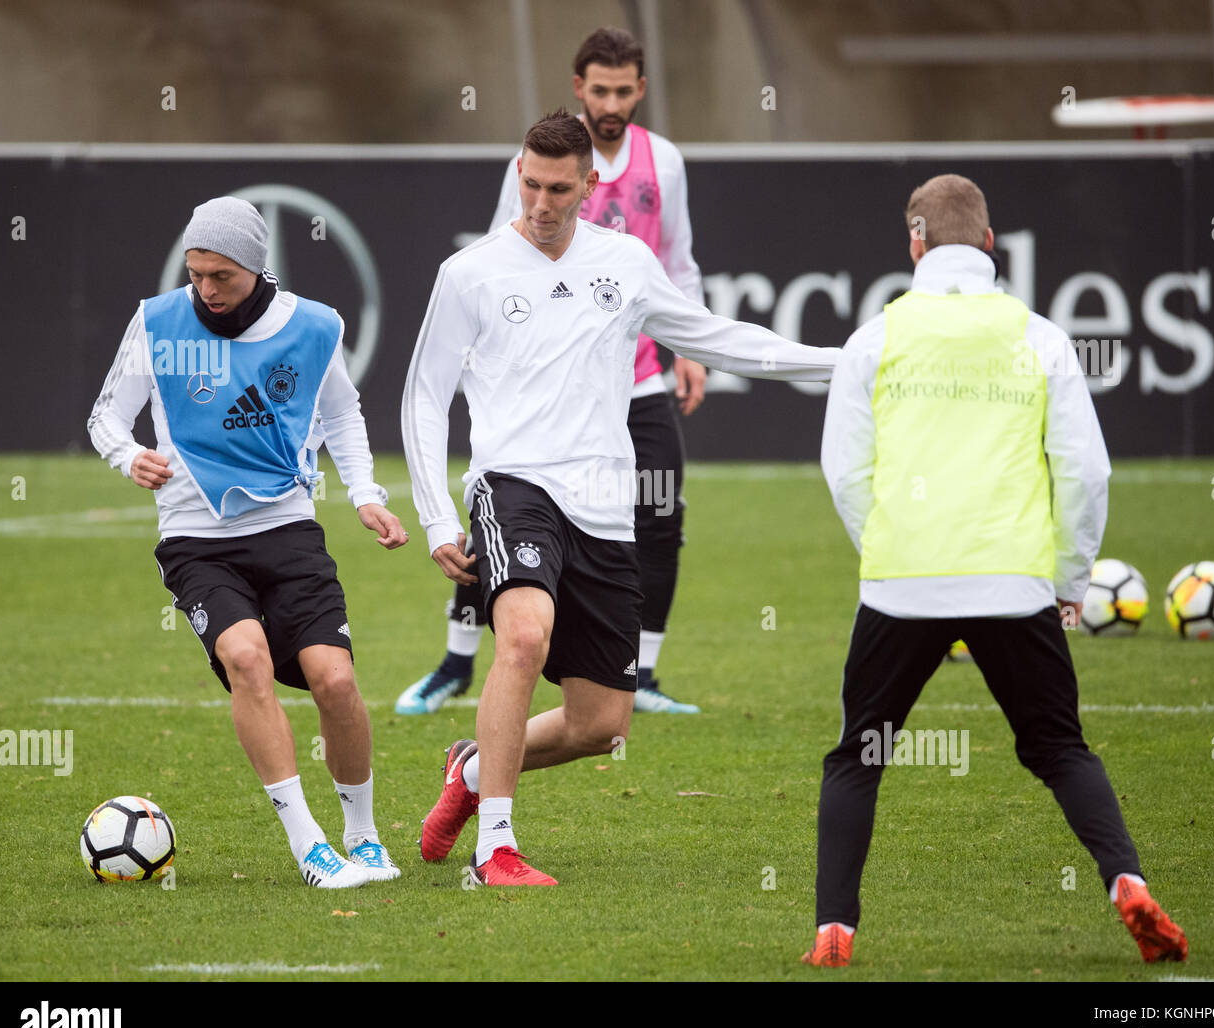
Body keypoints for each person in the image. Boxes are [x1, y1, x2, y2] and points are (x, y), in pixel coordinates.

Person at [403, 110, 837, 885]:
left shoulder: (628, 263)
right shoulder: (468, 272)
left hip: (604, 506)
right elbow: (424, 398)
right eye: (530, 184)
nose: (540, 202)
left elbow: (717, 338)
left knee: (600, 724)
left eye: (558, 188)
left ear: (590, 184)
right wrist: (439, 512)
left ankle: (470, 774)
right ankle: (495, 847)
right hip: (514, 486)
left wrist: (840, 363)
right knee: (524, 635)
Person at [805, 174, 1187, 967]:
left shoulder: (873, 338)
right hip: (1016, 583)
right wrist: (1070, 581)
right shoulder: (1040, 336)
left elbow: (844, 471)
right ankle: (1127, 883)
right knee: (1060, 748)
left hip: (901, 583)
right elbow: (1086, 471)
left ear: (914, 244)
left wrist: (888, 553)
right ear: (988, 244)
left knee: (859, 756)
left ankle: (833, 929)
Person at [88, 196, 408, 890]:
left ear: (257, 270)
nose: (204, 289)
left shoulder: (315, 327)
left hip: (289, 529)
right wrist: (129, 455)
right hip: (195, 538)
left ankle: (364, 835)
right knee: (246, 658)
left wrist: (367, 496)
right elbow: (106, 415)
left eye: (220, 277)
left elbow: (343, 413)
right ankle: (312, 848)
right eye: (196, 273)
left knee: (336, 678)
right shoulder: (157, 320)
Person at [396, 26, 708, 718]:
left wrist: (691, 347)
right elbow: (500, 258)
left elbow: (679, 262)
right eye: (600, 88)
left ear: (641, 90)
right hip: (545, 387)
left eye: (624, 90)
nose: (612, 102)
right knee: (505, 515)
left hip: (636, 376)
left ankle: (643, 671)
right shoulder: (544, 159)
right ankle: (455, 658)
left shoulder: (666, 163)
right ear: (579, 87)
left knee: (659, 514)